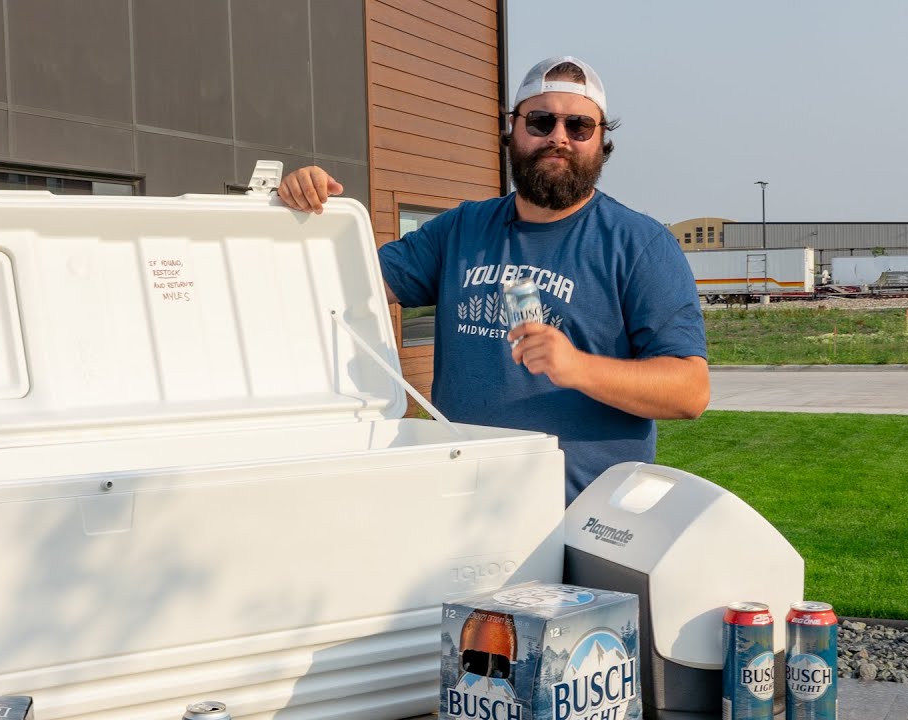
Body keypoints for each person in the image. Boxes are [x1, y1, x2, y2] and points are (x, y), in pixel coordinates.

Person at [278, 56, 709, 505]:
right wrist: (304, 213)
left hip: (580, 517)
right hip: (460, 504)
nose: (559, 137)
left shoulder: (640, 245)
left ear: (601, 140)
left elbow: (690, 391)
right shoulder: (461, 230)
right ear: (512, 129)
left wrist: (578, 367)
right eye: (540, 121)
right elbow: (343, 284)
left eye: (579, 126)